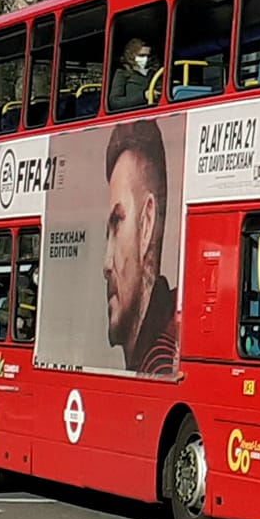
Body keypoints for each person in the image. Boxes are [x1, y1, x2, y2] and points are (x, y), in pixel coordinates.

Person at [102, 119, 177, 375]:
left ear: (146, 224)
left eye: (117, 223)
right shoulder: (149, 354)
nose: (106, 265)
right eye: (107, 234)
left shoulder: (164, 358)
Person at [107, 37, 153, 110]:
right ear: (130, 55)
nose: (146, 59)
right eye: (141, 56)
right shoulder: (122, 73)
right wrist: (143, 97)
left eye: (148, 56)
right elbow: (114, 102)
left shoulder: (154, 72)